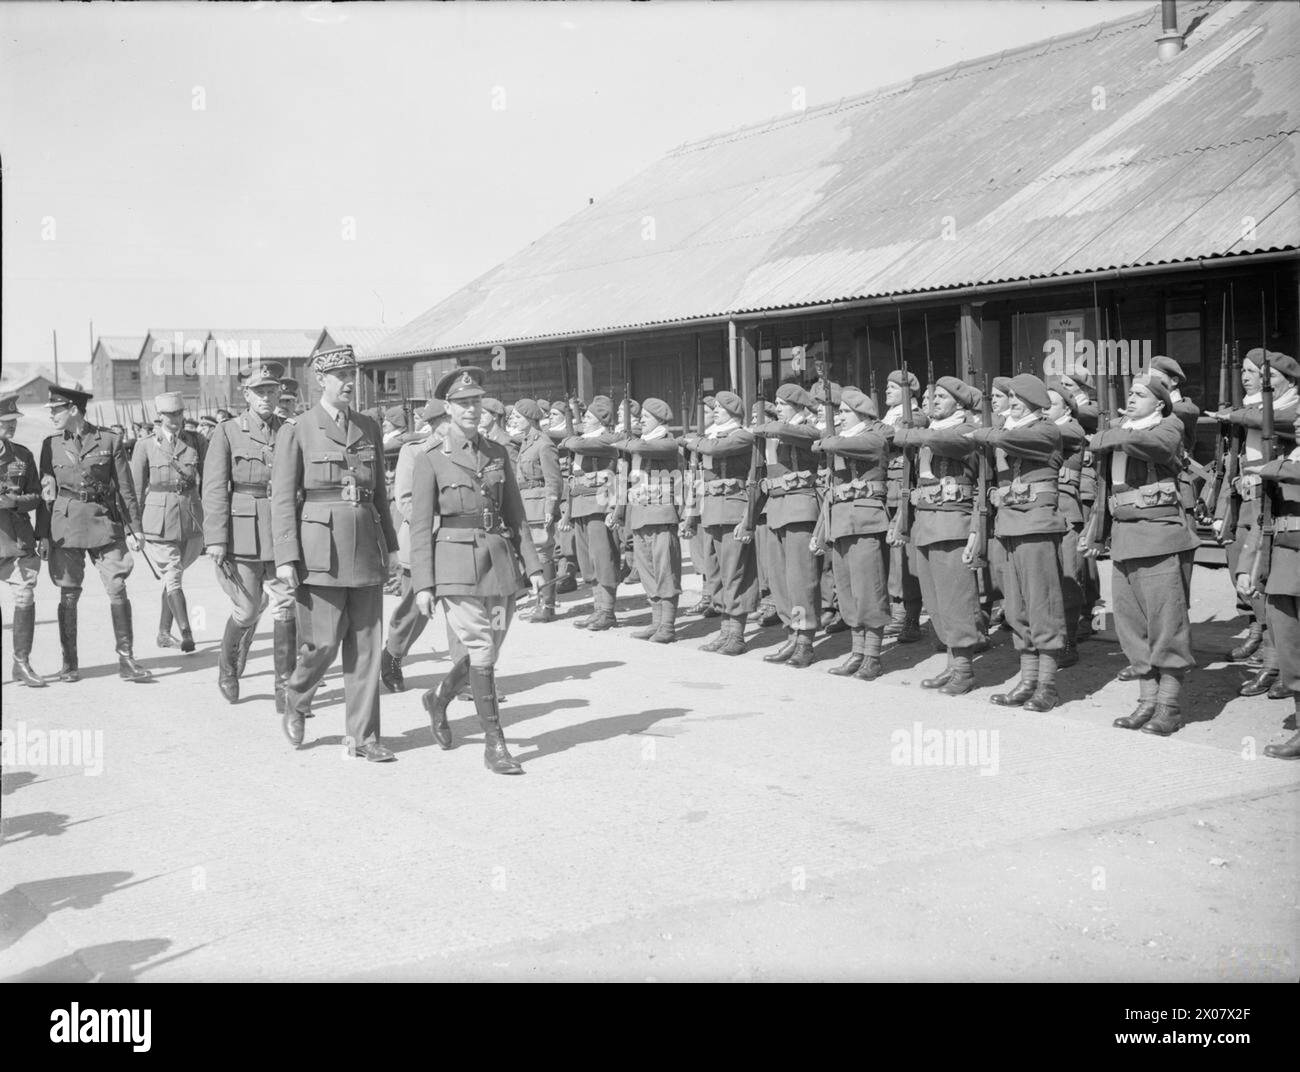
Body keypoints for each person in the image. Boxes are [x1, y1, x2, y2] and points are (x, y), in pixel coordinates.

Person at [410, 366, 542, 774]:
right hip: (454, 563)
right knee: (482, 649)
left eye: (476, 402)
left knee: (490, 649)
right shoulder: (430, 457)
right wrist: (423, 584)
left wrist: (533, 566)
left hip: (498, 562)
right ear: (447, 408)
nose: (471, 409)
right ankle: (495, 744)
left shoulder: (497, 452)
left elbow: (515, 513)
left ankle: (438, 698)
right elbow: (419, 525)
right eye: (463, 403)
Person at [272, 345, 399, 761]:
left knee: (366, 646)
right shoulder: (298, 428)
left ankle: (363, 737)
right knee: (322, 644)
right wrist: (287, 557)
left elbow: (380, 493)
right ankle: (296, 696)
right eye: (340, 375)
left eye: (352, 374)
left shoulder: (369, 427)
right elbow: (283, 500)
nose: (348, 382)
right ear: (320, 380)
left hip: (365, 549)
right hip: (319, 552)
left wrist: (393, 549)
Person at [1090, 376, 1200, 737]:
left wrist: (1110, 434)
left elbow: (1158, 448)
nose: (1132, 399)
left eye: (1140, 394)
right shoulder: (1122, 428)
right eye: (1131, 394)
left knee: (1167, 624)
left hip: (1161, 536)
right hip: (1124, 537)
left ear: (1159, 402)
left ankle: (1169, 706)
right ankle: (1147, 701)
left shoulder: (1168, 425)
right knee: (1130, 625)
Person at [35, 385, 152, 683]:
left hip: (102, 522)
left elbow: (126, 489)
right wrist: (43, 534)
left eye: (56, 409)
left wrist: (135, 528)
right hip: (66, 524)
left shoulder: (110, 440)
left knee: (117, 586)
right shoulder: (50, 445)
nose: (51, 414)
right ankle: (70, 663)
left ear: (73, 409)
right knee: (69, 592)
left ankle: (127, 660)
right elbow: (46, 493)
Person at [965, 373, 1067, 711]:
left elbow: (1009, 440)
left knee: (1043, 605)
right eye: (1006, 397)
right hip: (1009, 525)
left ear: (1028, 402)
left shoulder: (1046, 430)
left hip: (1036, 526)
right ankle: (1028, 680)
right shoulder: (1010, 430)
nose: (1006, 402)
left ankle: (1048, 686)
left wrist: (980, 432)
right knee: (1017, 609)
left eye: (1012, 398)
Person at [202, 363, 297, 708]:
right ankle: (227, 669)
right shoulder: (228, 432)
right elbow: (213, 488)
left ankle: (284, 686)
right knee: (246, 609)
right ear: (246, 395)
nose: (268, 398)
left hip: (283, 529)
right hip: (243, 528)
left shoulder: (289, 430)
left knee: (284, 605)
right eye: (260, 392)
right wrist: (216, 538)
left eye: (272, 391)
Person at [892, 377, 984, 694]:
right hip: (926, 524)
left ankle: (964, 670)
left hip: (952, 524)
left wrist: (907, 433)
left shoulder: (966, 429)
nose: (933, 401)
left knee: (956, 601)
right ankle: (950, 663)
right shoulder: (932, 430)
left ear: (958, 403)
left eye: (941, 397)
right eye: (931, 396)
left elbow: (946, 442)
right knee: (936, 603)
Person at [812, 387, 890, 681]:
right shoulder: (842, 439)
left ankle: (872, 656)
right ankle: (857, 652)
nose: (840, 417)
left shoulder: (873, 436)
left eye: (844, 412)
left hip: (866, 521)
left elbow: (831, 445)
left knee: (869, 591)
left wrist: (826, 441)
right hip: (841, 521)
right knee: (847, 592)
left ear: (861, 413)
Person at [681, 390, 758, 655]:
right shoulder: (710, 437)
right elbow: (697, 479)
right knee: (715, 575)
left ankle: (736, 635)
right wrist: (691, 515)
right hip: (711, 511)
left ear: (734, 413)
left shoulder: (741, 435)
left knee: (735, 573)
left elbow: (716, 449)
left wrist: (692, 441)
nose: (715, 411)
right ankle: (724, 632)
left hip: (733, 511)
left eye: (721, 408)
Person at [381, 399, 450, 691]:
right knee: (414, 610)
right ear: (434, 423)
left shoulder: (471, 448)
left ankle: (469, 676)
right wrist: (439, 526)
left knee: (464, 612)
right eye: (448, 418)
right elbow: (405, 500)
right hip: (426, 542)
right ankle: (393, 655)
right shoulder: (413, 451)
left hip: (460, 545)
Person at [752, 383, 823, 668]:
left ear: (796, 406)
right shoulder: (775, 429)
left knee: (801, 579)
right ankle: (792, 632)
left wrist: (764, 427)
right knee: (779, 578)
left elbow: (806, 435)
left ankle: (805, 639)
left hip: (800, 507)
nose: (777, 407)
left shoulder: (805, 427)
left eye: (782, 404)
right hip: (776, 508)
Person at [131, 392, 206, 653]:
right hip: (159, 521)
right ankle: (187, 632)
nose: (175, 419)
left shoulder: (196, 441)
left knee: (173, 575)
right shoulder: (146, 445)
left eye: (178, 414)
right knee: (173, 575)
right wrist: (134, 528)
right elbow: (135, 490)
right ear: (159, 417)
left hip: (192, 519)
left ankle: (163, 633)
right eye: (169, 415)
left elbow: (209, 482)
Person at [1248, 409, 1300, 758]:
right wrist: (1250, 566)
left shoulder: (1282, 465)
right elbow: (1265, 519)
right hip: (1284, 563)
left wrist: (1267, 467)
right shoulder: (1285, 461)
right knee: (1292, 649)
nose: (1297, 422)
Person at [616, 397, 683, 642]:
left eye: (646, 416)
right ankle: (656, 622)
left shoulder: (666, 442)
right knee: (647, 571)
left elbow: (639, 448)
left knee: (666, 570)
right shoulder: (639, 442)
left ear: (660, 419)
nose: (641, 419)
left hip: (661, 514)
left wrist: (624, 438)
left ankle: (668, 625)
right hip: (640, 515)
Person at [560, 395, 623, 630]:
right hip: (580, 504)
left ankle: (607, 610)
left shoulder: (607, 439)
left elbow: (574, 444)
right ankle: (598, 608)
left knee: (603, 558)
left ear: (600, 419)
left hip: (599, 504)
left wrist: (569, 437)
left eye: (587, 417)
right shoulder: (583, 438)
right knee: (587, 560)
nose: (582, 420)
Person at [0, 391, 46, 686]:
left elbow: (37, 496)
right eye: (6, 421)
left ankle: (21, 663)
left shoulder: (23, 455)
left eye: (14, 421)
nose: (12, 426)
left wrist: (14, 502)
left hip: (17, 539)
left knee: (25, 594)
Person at [881, 370, 928, 642]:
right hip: (886, 487)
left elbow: (892, 438)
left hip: (905, 488)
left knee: (905, 554)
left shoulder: (917, 416)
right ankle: (896, 611)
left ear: (908, 391)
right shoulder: (887, 417)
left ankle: (910, 616)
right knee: (891, 554)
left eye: (892, 387)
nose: (887, 391)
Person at [509, 398, 563, 624]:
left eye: (517, 417)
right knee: (534, 556)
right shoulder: (526, 442)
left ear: (530, 419)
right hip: (526, 504)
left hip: (539, 505)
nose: (513, 420)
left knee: (544, 556)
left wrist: (551, 507)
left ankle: (547, 605)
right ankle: (540, 602)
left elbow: (554, 480)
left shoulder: (543, 443)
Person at [1045, 378, 1087, 667]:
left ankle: (1069, 641)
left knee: (1068, 579)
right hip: (1044, 512)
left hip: (1066, 512)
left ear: (1068, 408)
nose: (1045, 409)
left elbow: (1048, 436)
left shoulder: (1071, 428)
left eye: (1052, 404)